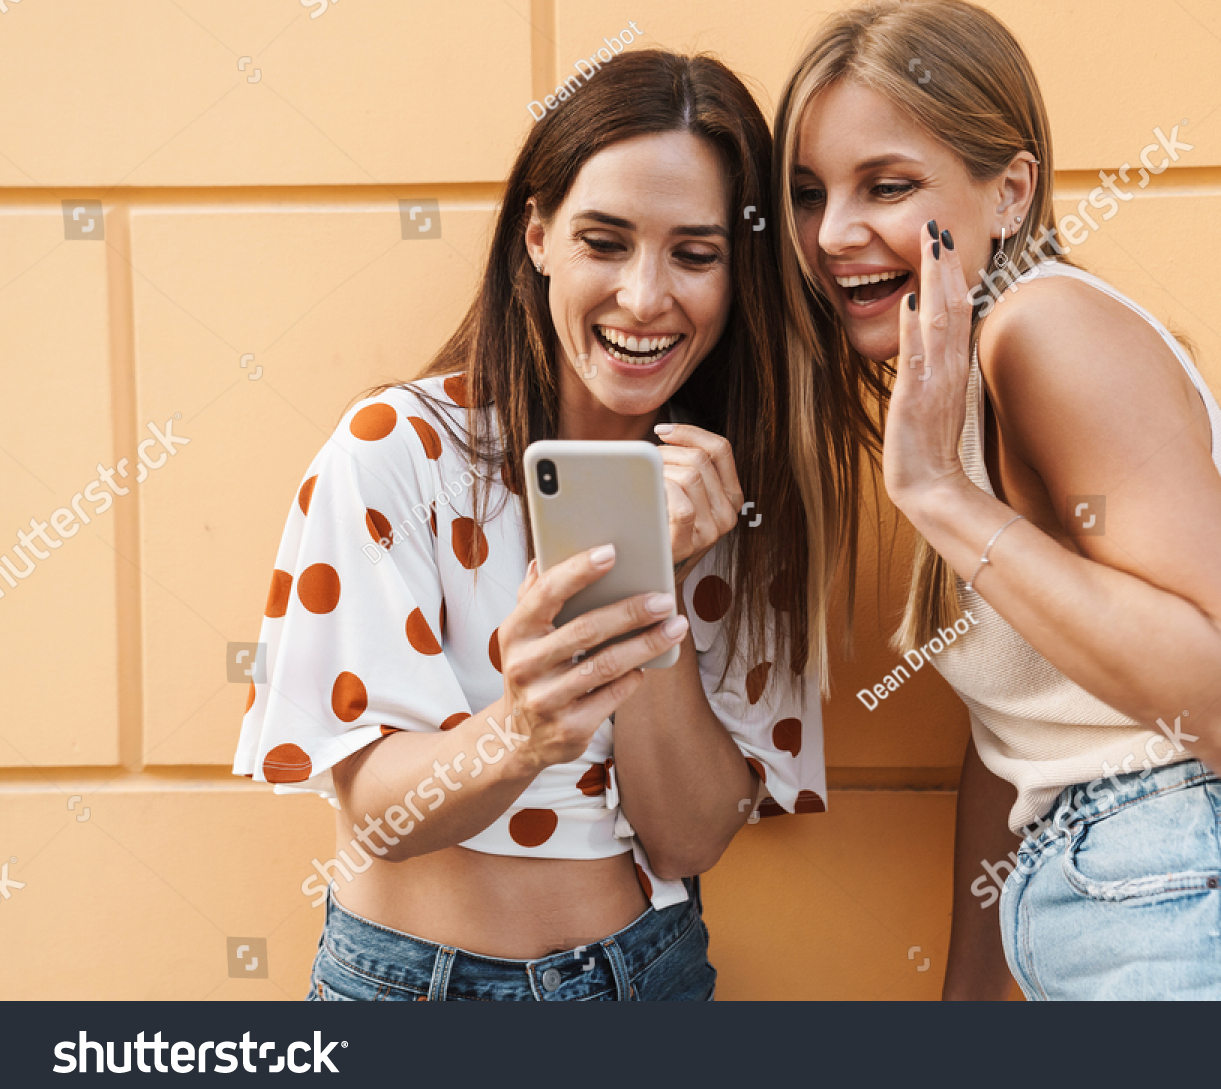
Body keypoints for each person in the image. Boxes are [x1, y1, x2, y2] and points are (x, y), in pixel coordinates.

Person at [775, 0, 1221, 1000]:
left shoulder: (1045, 329)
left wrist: (940, 495)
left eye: (888, 185)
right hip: (1130, 902)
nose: (835, 233)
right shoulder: (968, 382)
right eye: (809, 193)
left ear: (1010, 192)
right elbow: (1020, 742)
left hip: (1205, 894)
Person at [233, 48, 825, 1002]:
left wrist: (649, 587)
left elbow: (689, 838)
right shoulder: (396, 450)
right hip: (409, 986)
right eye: (604, 241)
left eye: (695, 253)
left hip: (643, 976)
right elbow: (379, 817)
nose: (644, 296)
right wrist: (519, 730)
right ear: (537, 235)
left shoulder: (730, 493)